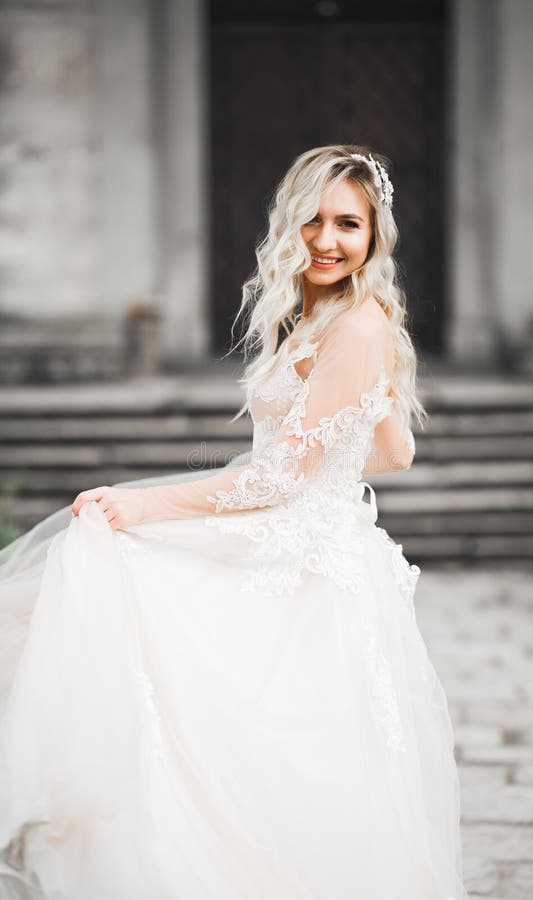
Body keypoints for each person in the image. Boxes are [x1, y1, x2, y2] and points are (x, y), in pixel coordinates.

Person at [0, 145, 468, 899]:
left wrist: (144, 502)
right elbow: (395, 453)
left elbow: (283, 474)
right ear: (289, 224)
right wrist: (344, 450)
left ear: (375, 237)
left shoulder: (357, 327)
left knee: (126, 602)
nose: (326, 239)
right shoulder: (323, 315)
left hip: (305, 567)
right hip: (297, 534)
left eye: (348, 224)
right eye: (312, 220)